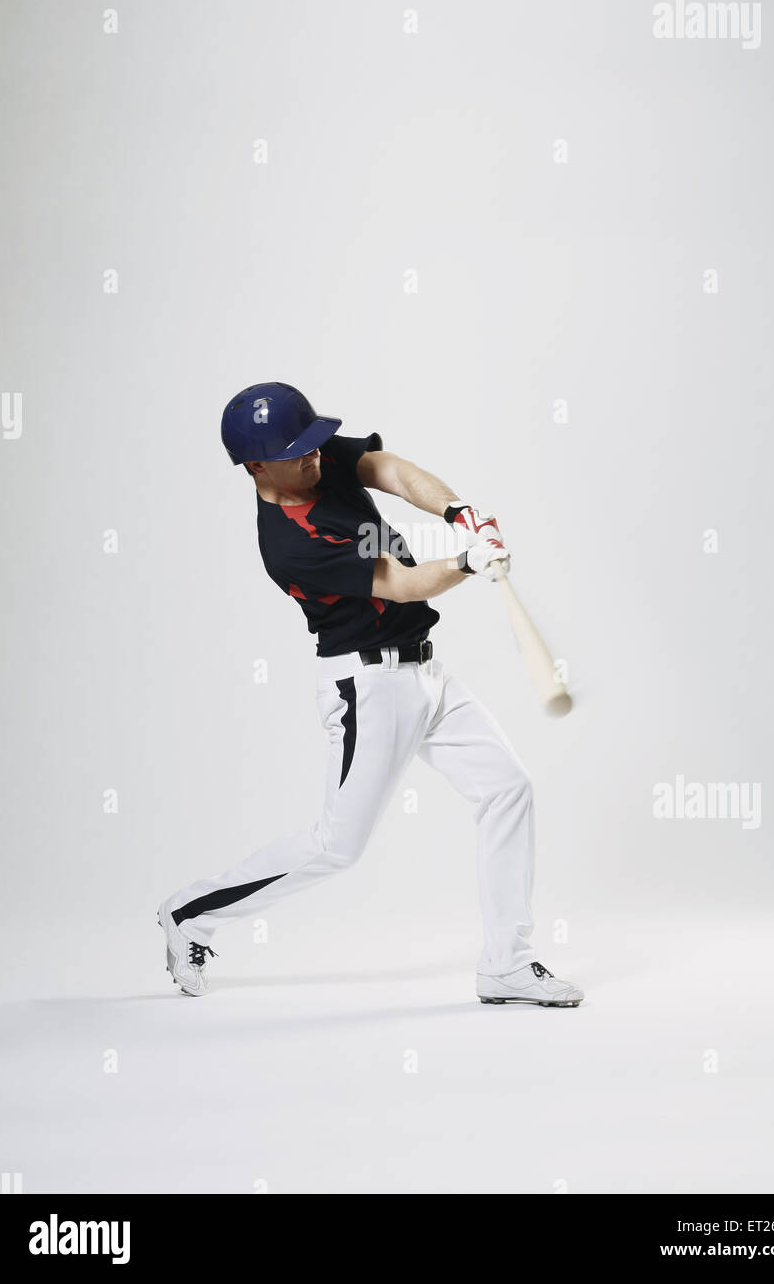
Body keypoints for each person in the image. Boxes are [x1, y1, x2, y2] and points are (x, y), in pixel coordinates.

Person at [157, 382, 583, 1008]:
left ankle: (507, 965)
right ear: (255, 467)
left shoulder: (314, 459)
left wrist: (458, 514)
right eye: (298, 454)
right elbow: (402, 583)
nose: (314, 458)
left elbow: (388, 470)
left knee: (507, 789)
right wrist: (467, 561)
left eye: (313, 445)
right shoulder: (288, 544)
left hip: (428, 672)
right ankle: (188, 913)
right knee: (337, 848)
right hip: (371, 687)